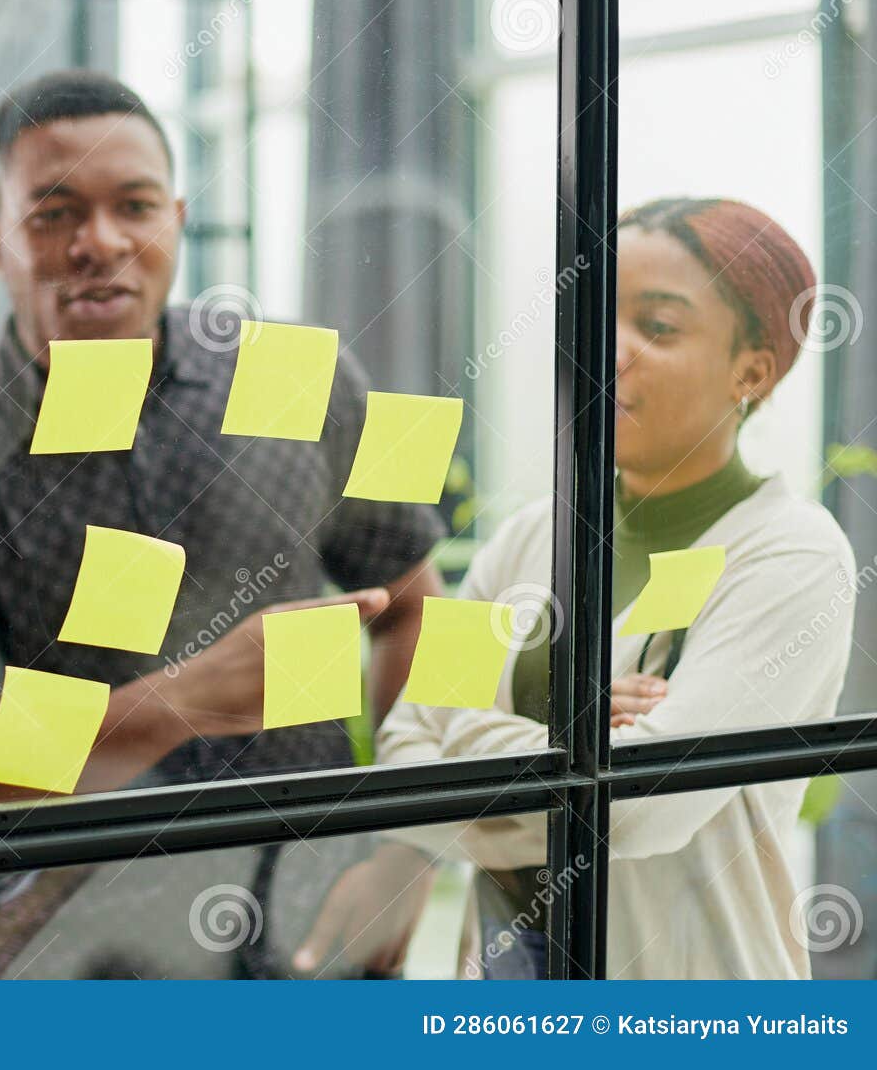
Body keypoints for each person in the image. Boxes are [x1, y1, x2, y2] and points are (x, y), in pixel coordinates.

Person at [0, 70, 447, 977]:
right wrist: (183, 700)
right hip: (83, 960)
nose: (101, 243)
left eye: (134, 205)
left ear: (173, 217)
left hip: (318, 929)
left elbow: (428, 610)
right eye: (52, 214)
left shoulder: (306, 368)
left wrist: (401, 853)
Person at [321, 198, 855, 980]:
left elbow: (639, 809)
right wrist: (575, 743)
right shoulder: (536, 536)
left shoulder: (790, 556)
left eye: (659, 328)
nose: (609, 352)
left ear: (753, 369)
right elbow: (408, 757)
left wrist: (471, 739)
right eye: (595, 317)